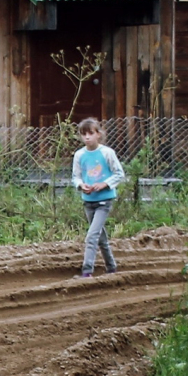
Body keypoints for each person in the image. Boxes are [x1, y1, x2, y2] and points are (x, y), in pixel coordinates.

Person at [70, 119, 125, 278]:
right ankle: (111, 267)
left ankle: (87, 270)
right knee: (101, 238)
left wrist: (105, 184)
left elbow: (119, 174)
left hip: (104, 201)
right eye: (84, 134)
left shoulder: (107, 153)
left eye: (91, 133)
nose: (87, 137)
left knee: (92, 236)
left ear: (98, 134)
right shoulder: (79, 155)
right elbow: (76, 177)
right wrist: (81, 186)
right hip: (88, 201)